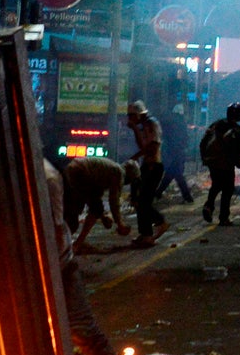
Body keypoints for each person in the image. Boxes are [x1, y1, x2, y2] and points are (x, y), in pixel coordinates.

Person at [43, 160, 145, 355]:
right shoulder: (51, 177)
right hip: (43, 263)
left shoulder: (47, 178)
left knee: (87, 334)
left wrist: (115, 220)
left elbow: (55, 232)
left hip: (59, 265)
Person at [62, 156, 137, 251]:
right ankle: (76, 244)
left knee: (76, 211)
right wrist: (120, 223)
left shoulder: (107, 171)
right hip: (81, 173)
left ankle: (66, 243)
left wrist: (102, 216)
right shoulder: (119, 173)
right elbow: (114, 201)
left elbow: (96, 197)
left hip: (74, 169)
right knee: (90, 211)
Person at [127, 100, 169, 245]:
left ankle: (158, 223)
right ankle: (145, 233)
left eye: (132, 115)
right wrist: (135, 129)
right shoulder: (144, 126)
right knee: (139, 201)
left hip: (153, 166)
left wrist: (136, 157)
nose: (130, 118)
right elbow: (142, 145)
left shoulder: (151, 124)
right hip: (148, 165)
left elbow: (153, 146)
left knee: (144, 201)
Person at [199, 102, 240, 225]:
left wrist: (204, 157)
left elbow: (204, 141)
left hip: (212, 161)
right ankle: (223, 217)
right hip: (226, 163)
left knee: (216, 185)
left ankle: (209, 206)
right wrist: (237, 162)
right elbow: (239, 149)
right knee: (227, 189)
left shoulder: (216, 124)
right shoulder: (237, 130)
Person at [155, 107, 194, 203]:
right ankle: (187, 196)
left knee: (173, 173)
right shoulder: (181, 122)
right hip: (179, 151)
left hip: (172, 150)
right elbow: (185, 137)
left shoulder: (170, 121)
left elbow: (165, 135)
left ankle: (158, 193)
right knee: (175, 173)